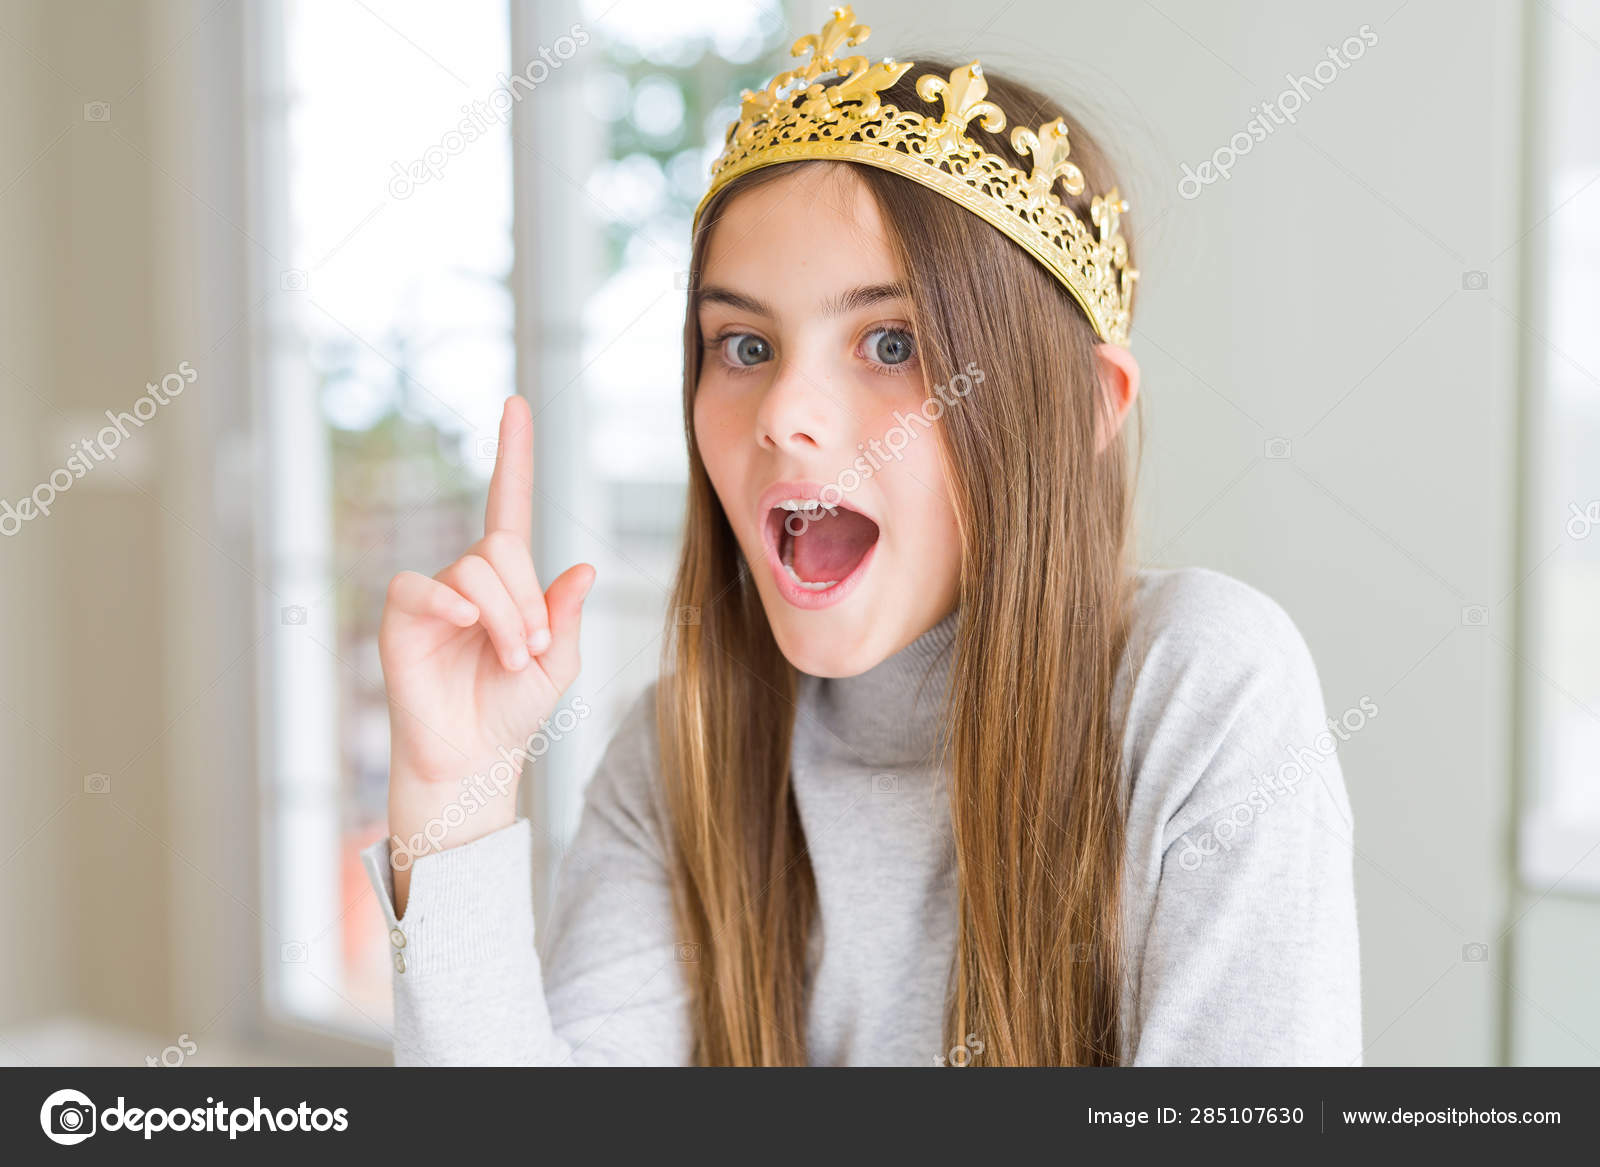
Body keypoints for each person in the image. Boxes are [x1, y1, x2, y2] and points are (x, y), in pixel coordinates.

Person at [362, 5, 1361, 1066]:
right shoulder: (676, 752)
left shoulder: (1201, 684)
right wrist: (451, 793)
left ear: (1082, 410)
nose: (783, 411)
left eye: (890, 342)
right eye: (742, 344)